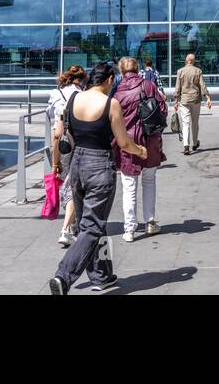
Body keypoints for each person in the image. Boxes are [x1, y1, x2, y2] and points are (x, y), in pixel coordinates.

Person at [48, 62, 148, 295]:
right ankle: (63, 276)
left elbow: (58, 132)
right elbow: (123, 143)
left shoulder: (73, 99)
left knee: (92, 223)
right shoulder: (110, 104)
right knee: (92, 227)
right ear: (110, 80)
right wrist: (140, 151)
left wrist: (56, 163)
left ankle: (101, 276)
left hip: (77, 165)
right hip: (99, 166)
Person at [112, 57, 166, 242]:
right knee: (149, 180)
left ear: (121, 71)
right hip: (150, 140)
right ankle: (150, 222)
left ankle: (129, 229)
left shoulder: (117, 93)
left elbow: (112, 120)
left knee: (129, 186)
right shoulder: (149, 86)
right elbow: (162, 110)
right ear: (137, 69)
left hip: (127, 143)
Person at [48, 65, 86, 247]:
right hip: (78, 142)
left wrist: (54, 162)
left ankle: (71, 224)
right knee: (73, 186)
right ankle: (67, 228)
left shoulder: (56, 94)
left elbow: (56, 131)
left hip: (61, 144)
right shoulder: (82, 95)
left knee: (66, 183)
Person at [172, 53, 212, 155]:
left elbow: (177, 88)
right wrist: (207, 97)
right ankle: (194, 144)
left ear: (186, 60)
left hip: (184, 100)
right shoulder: (198, 71)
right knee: (195, 122)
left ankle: (186, 145)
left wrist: (176, 101)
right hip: (195, 100)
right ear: (193, 61)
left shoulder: (180, 71)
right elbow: (202, 85)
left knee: (185, 123)